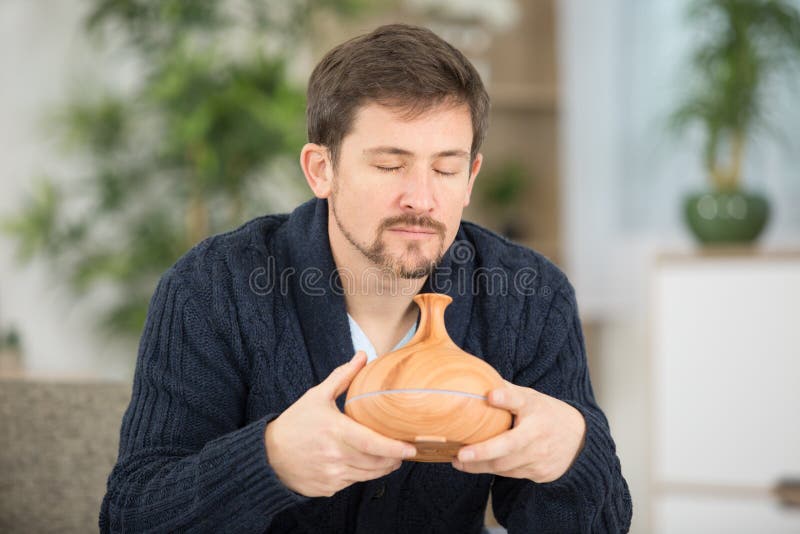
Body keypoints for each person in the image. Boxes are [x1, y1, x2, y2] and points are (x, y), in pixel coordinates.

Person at [100, 23, 632, 533]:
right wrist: (270, 462)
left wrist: (572, 455)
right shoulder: (212, 289)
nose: (421, 199)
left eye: (445, 169)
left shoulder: (531, 297)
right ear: (320, 170)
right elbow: (131, 516)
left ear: (470, 178)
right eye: (389, 165)